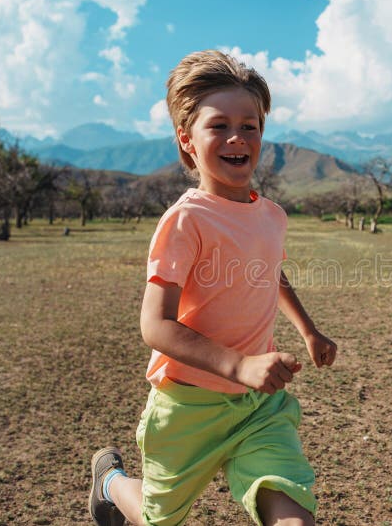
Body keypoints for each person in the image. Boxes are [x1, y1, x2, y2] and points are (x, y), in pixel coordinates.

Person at [89, 50, 337, 526]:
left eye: (250, 125)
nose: (237, 137)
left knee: (294, 516)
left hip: (259, 406)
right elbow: (154, 325)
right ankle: (110, 482)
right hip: (189, 406)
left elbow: (269, 272)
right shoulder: (186, 220)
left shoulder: (271, 215)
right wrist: (237, 364)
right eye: (219, 125)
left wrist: (308, 329)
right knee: (157, 520)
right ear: (187, 140)